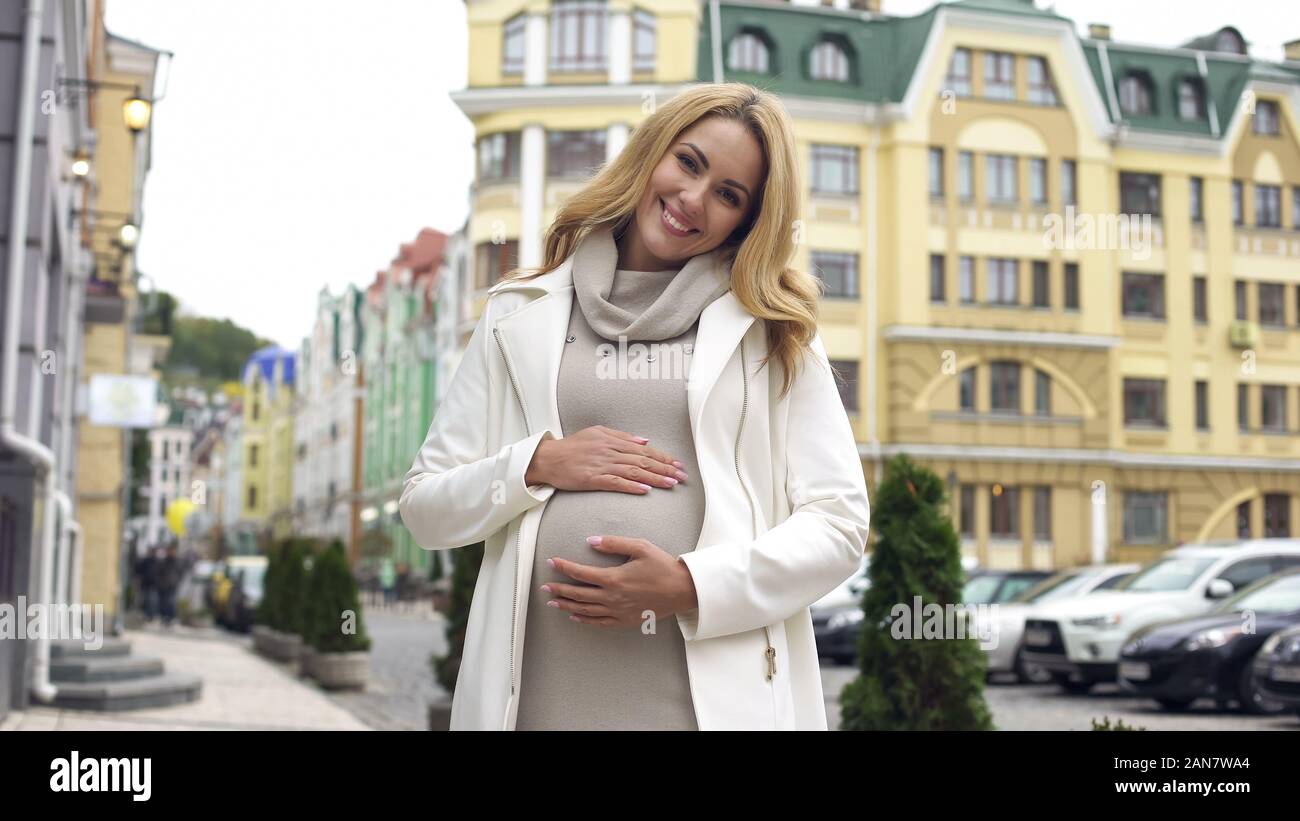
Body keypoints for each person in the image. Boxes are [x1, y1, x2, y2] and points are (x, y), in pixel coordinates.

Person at [400, 83, 871, 730]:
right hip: (538, 695)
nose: (693, 199)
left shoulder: (774, 331)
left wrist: (690, 584)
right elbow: (426, 506)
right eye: (689, 162)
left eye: (729, 194)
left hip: (708, 703)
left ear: (748, 219)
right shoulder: (520, 311)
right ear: (652, 154)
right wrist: (537, 464)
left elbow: (840, 525)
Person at [157, 545, 182, 628]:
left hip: (172, 585)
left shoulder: (177, 561)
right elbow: (159, 572)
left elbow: (180, 572)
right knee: (164, 602)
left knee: (171, 602)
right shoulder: (164, 561)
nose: (171, 552)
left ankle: (170, 618)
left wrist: (177, 581)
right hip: (164, 585)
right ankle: (164, 617)